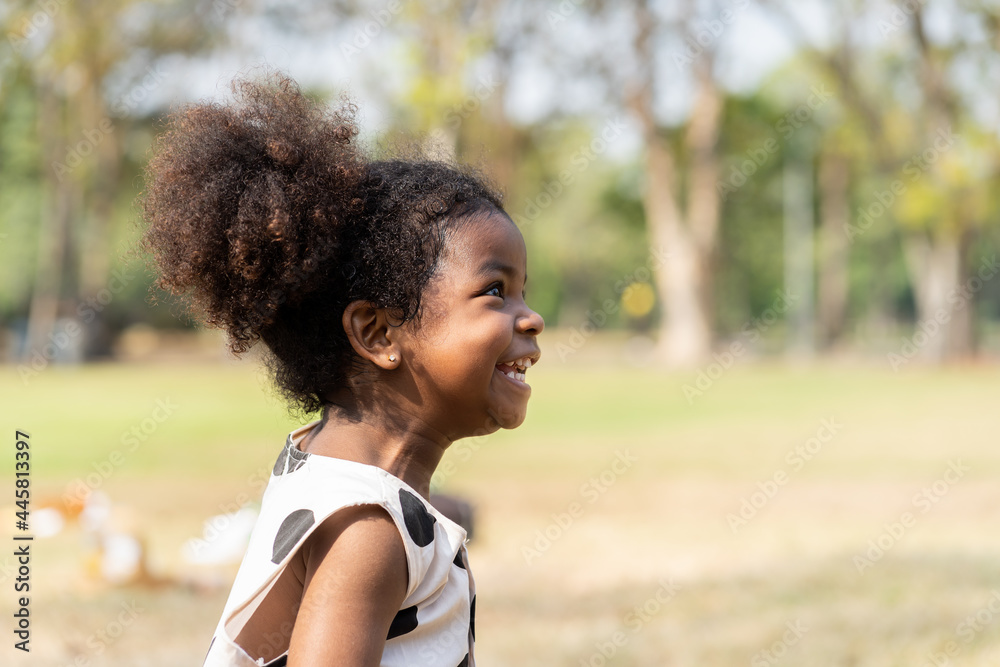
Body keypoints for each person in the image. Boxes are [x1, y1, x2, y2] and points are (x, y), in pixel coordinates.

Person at [138, 72, 544, 666]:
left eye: (523, 292)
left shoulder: (337, 474)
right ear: (378, 333)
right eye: (494, 291)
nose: (530, 318)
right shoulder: (367, 530)